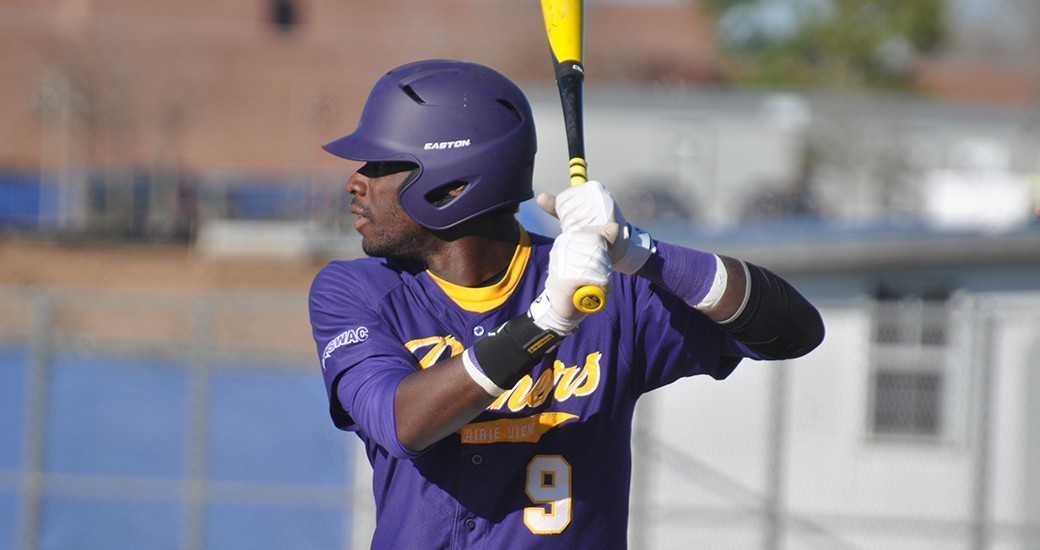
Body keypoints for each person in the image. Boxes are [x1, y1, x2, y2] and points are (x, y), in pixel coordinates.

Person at [309, 59, 824, 549]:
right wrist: (548, 322)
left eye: (383, 164)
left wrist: (644, 253)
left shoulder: (604, 284)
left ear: (452, 184)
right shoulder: (356, 293)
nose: (357, 181)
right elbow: (402, 423)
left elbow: (794, 330)